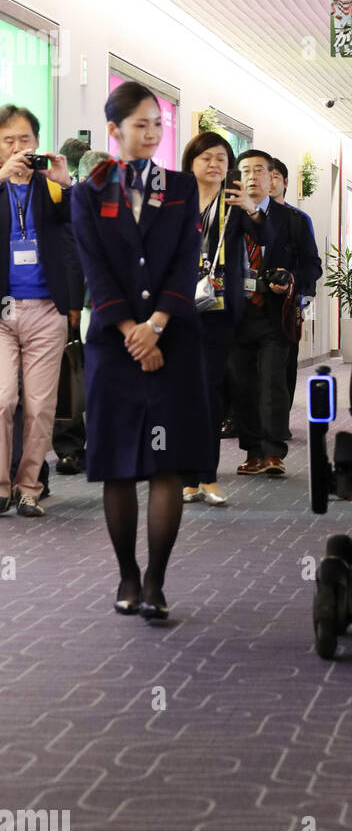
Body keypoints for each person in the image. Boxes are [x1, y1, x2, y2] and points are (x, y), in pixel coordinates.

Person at [71, 82, 210, 621]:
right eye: (139, 125)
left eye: (157, 124)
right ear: (114, 131)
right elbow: (94, 268)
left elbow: (183, 261)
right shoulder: (90, 193)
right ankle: (127, 575)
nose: (151, 134)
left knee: (167, 463)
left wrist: (155, 325)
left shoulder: (179, 188)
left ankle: (156, 581)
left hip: (172, 339)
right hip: (114, 343)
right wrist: (131, 329)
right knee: (119, 466)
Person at [179, 133, 271, 507]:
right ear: (192, 163)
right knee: (184, 394)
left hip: (218, 311)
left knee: (210, 392)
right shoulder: (176, 202)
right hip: (178, 309)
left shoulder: (233, 204)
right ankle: (187, 479)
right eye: (207, 158)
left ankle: (209, 477)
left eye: (221, 158)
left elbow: (265, 234)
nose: (215, 164)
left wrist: (251, 207)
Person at [0, 106, 80, 517]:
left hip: (47, 310)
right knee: (2, 399)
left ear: (37, 143)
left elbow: (83, 231)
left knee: (39, 405)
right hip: (3, 312)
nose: (18, 147)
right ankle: (1, 487)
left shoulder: (50, 188)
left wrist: (67, 185)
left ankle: (29, 487)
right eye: (8, 140)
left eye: (25, 140)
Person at [226, 150, 297, 478]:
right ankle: (253, 452)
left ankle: (273, 453)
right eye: (246, 171)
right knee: (243, 386)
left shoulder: (291, 219)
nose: (252, 176)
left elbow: (311, 264)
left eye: (259, 171)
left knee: (271, 383)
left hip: (274, 313)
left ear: (272, 178)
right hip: (237, 312)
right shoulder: (226, 215)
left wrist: (294, 285)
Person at [269, 157, 322, 417]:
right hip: (251, 303)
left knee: (285, 362)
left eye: (275, 176)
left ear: (286, 182)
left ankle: (281, 416)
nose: (268, 181)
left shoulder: (298, 219)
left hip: (288, 303)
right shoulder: (241, 216)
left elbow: (312, 264)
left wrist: (300, 291)